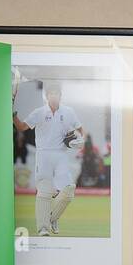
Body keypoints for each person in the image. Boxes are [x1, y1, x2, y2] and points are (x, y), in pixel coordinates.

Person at [13, 81, 83, 236]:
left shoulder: (69, 112)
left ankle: (52, 218)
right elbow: (22, 127)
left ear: (60, 96)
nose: (53, 96)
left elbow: (79, 129)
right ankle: (43, 229)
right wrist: (13, 116)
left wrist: (79, 139)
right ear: (47, 96)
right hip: (44, 154)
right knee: (44, 192)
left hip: (61, 155)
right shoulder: (39, 112)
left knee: (69, 189)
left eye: (56, 93)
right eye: (50, 93)